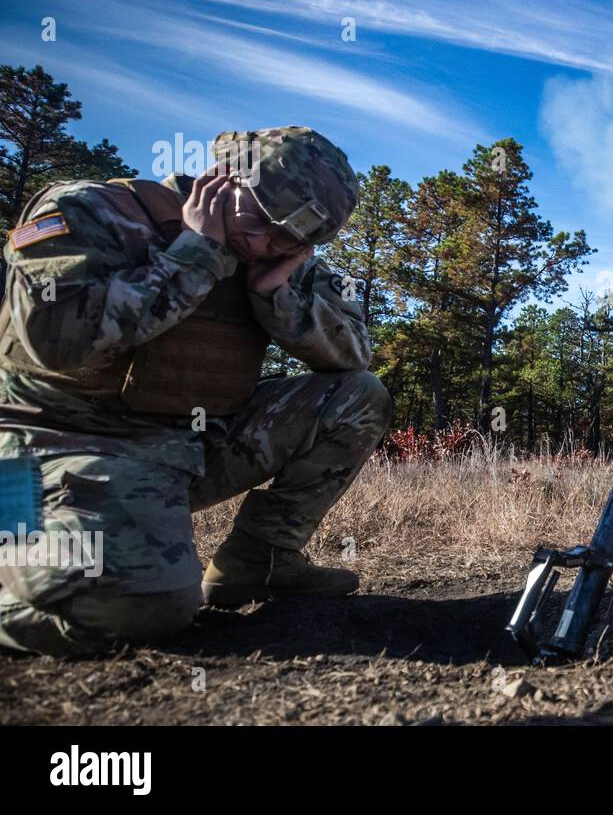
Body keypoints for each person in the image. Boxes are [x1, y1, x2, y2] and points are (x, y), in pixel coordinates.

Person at [0, 126, 392, 656]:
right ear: (222, 179)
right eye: (258, 224)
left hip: (177, 446)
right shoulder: (87, 210)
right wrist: (197, 255)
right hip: (37, 453)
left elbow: (354, 355)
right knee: (144, 607)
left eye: (290, 241)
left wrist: (276, 297)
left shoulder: (276, 254)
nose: (262, 245)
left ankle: (262, 562)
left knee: (358, 396)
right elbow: (58, 339)